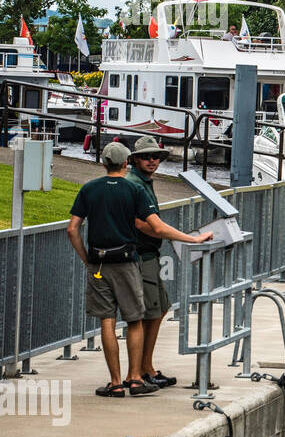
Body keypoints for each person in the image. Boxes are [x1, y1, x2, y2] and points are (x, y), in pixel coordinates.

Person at [66, 142, 212, 397]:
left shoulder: (89, 189)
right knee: (135, 320)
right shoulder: (134, 189)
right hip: (127, 261)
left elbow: (72, 228)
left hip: (99, 263)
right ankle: (135, 378)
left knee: (107, 322)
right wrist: (194, 239)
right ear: (126, 163)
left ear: (104, 163)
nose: (153, 161)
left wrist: (86, 259)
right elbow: (155, 227)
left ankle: (115, 383)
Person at [125, 136, 192, 388]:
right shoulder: (136, 184)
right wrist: (178, 236)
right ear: (134, 159)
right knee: (148, 312)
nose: (152, 160)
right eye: (146, 156)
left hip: (149, 256)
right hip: (142, 257)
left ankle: (144, 366)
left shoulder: (142, 182)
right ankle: (143, 370)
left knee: (160, 308)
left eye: (156, 156)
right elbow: (142, 223)